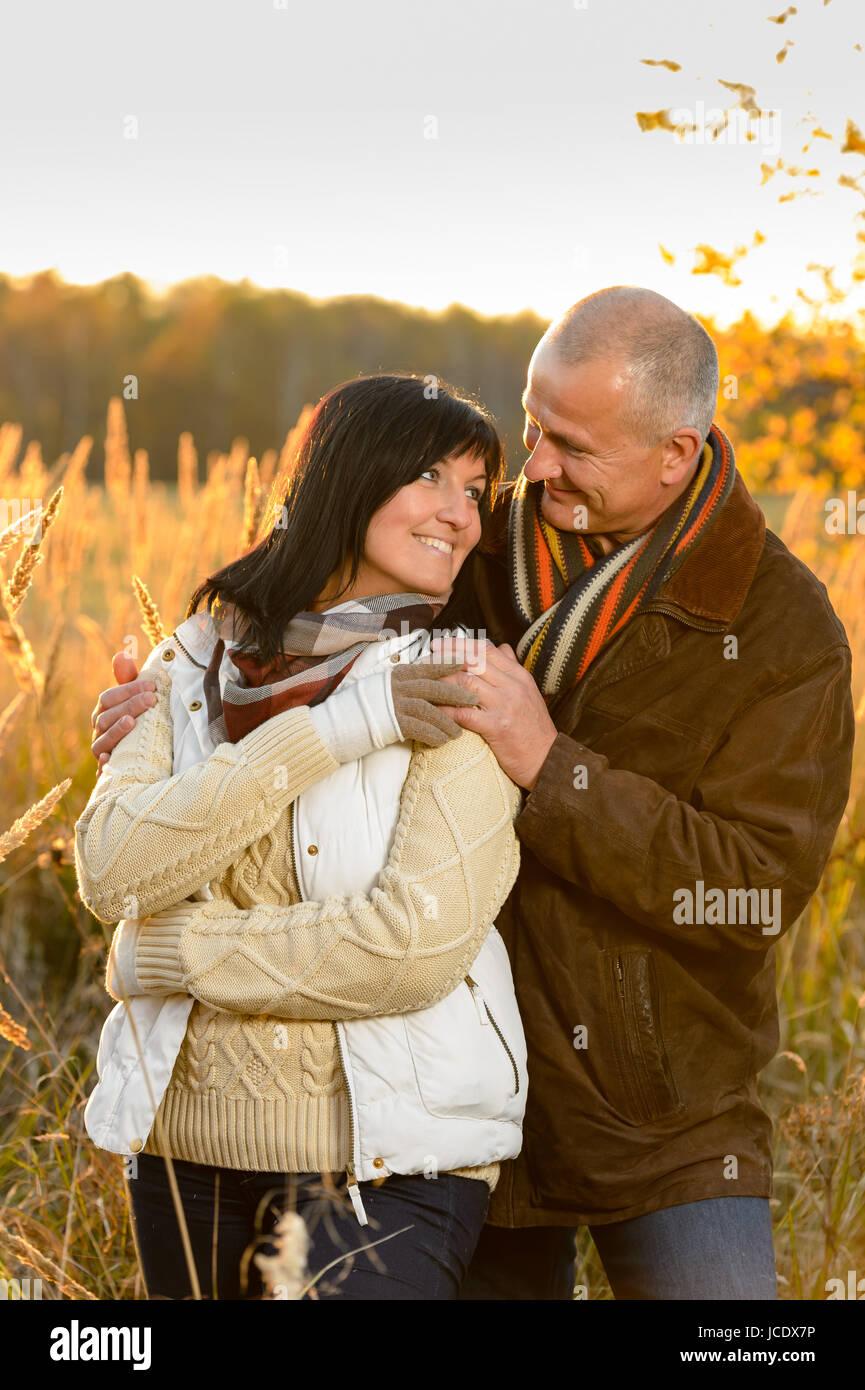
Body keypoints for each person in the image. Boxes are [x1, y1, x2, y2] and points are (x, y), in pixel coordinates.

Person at [93, 287, 856, 1302]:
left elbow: (753, 889)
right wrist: (178, 698)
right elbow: (303, 610)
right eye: (533, 427)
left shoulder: (777, 625)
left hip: (658, 1112)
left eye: (570, 446)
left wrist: (554, 769)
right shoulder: (466, 542)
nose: (533, 467)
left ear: (675, 453)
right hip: (442, 1095)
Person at [75, 372, 528, 1301]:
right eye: (431, 477)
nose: (461, 515)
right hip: (182, 1155)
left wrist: (170, 952)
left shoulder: (457, 681)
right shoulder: (190, 661)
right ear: (348, 477)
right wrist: (340, 727)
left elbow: (409, 948)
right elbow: (113, 870)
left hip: (391, 1164)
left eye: (475, 491)